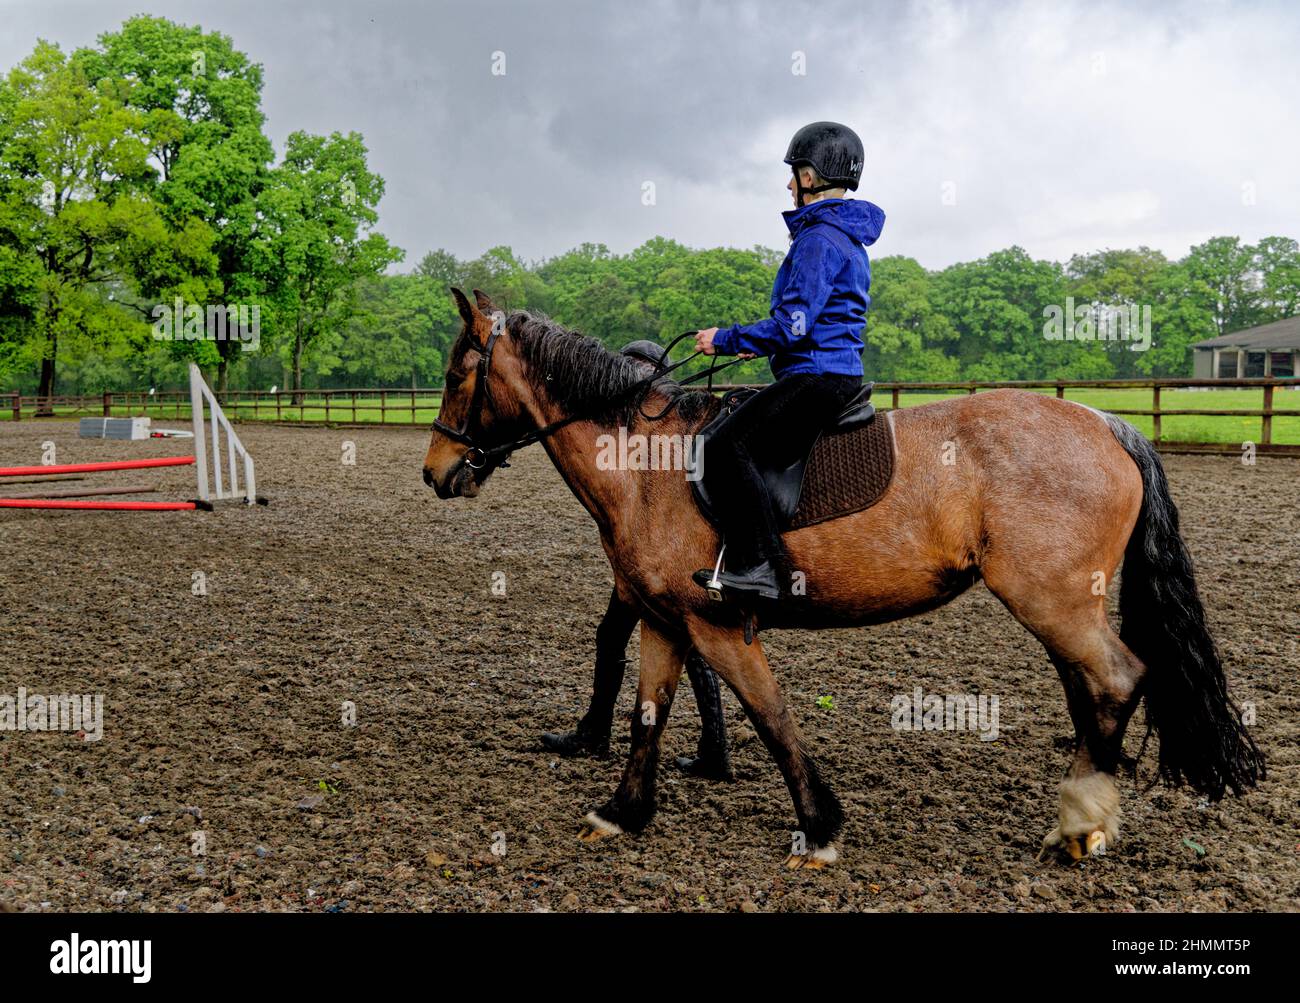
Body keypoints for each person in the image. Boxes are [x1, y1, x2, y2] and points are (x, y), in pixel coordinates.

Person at [694, 121, 885, 599]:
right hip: (828, 370)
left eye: (795, 171)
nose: (788, 183)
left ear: (815, 176)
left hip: (818, 376)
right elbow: (807, 324)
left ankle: (756, 565)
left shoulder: (819, 238)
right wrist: (757, 343)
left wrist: (724, 337)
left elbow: (791, 326)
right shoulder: (845, 235)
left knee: (719, 447)